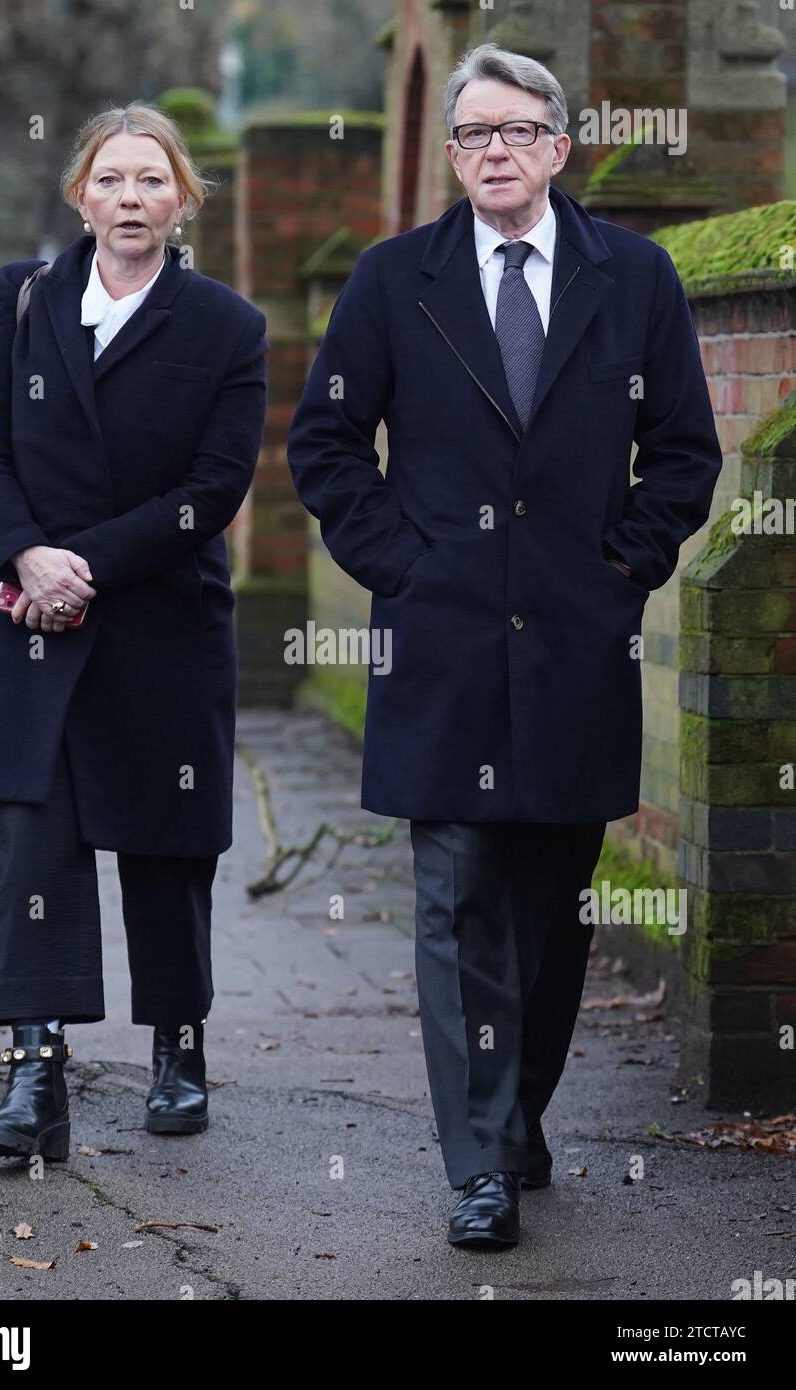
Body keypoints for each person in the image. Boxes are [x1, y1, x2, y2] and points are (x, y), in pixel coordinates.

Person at [287, 43, 722, 1247]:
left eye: (515, 131)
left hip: (575, 648)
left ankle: (517, 1111)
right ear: (453, 154)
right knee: (456, 896)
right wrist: (405, 565)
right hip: (441, 650)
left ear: (558, 144)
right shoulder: (391, 280)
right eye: (471, 133)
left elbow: (681, 451)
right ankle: (476, 1160)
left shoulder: (630, 277)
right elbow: (324, 447)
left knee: (551, 906)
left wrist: (620, 564)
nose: (492, 150)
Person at [0, 101, 268, 1161]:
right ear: (79, 193)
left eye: (151, 180)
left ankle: (178, 1051)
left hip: (159, 617)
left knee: (167, 847)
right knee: (32, 850)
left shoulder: (226, 324)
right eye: (110, 179)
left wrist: (88, 567)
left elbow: (214, 487)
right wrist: (29, 557)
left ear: (183, 198)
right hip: (24, 615)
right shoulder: (27, 296)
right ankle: (33, 1078)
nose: (129, 198)